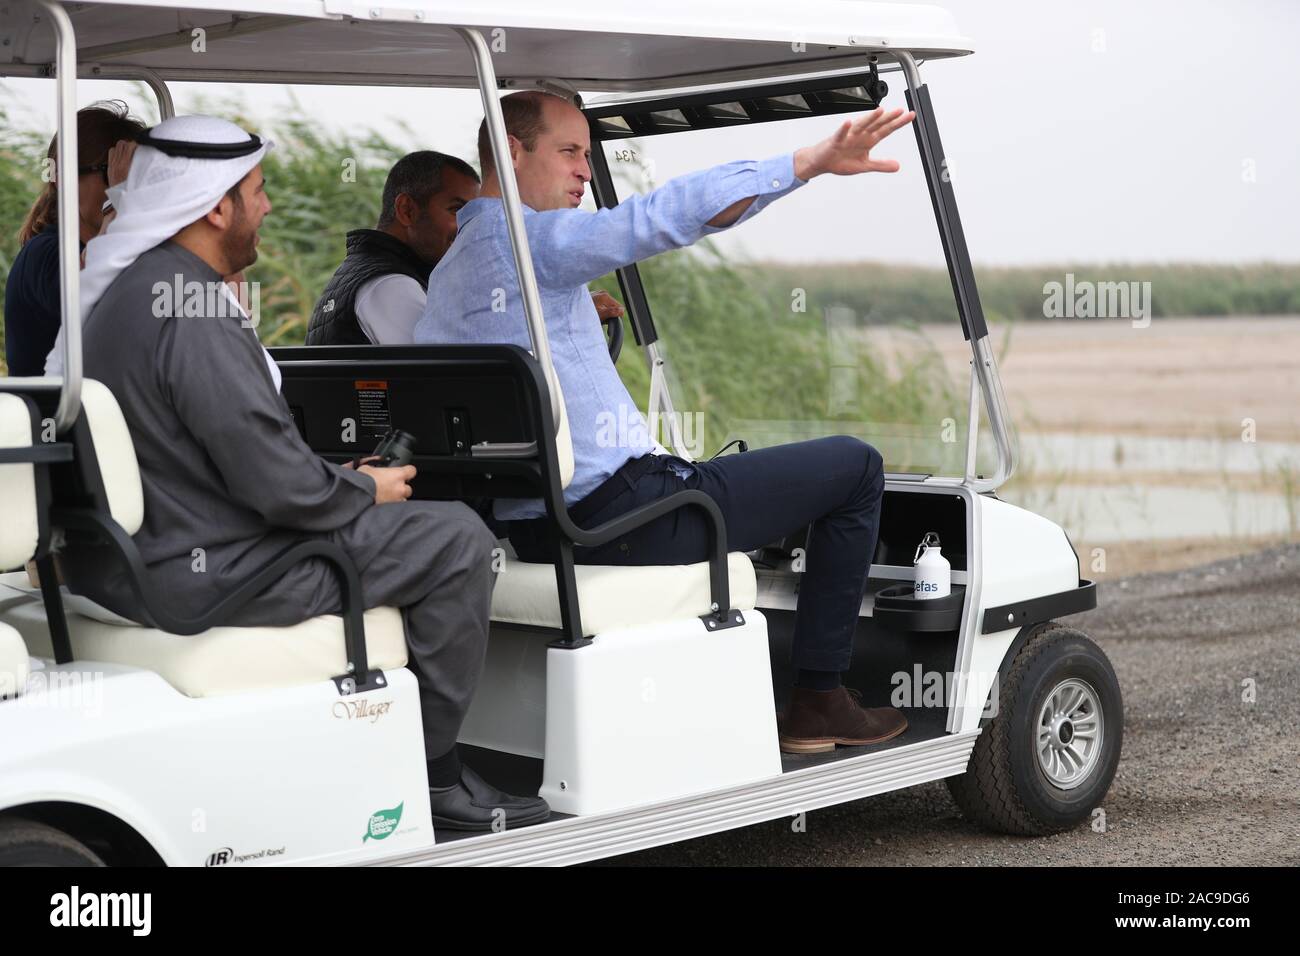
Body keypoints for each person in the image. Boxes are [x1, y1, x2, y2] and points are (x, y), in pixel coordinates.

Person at [62, 113, 548, 830]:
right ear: (215, 204)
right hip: (217, 569)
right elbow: (279, 489)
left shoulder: (126, 292)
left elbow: (228, 454)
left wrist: (337, 475)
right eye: (255, 192)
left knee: (414, 520)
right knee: (458, 538)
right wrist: (364, 487)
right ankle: (435, 770)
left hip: (143, 557)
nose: (265, 208)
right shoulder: (191, 305)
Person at [416, 90, 917, 755]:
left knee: (731, 475)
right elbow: (654, 220)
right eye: (569, 152)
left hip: (537, 530)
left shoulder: (449, 272)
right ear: (511, 154)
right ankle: (819, 698)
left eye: (590, 157)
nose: (585, 173)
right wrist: (805, 163)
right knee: (855, 469)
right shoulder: (531, 241)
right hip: (626, 518)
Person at [306, 149, 625, 345]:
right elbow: (461, 372)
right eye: (457, 211)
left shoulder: (379, 275)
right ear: (407, 211)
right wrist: (568, 314)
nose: (469, 226)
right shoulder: (390, 287)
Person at [4, 101, 144, 376]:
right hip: (56, 416)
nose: (129, 188)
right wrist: (120, 203)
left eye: (137, 174)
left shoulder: (124, 252)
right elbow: (99, 306)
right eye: (112, 173)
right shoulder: (46, 255)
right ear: (64, 177)